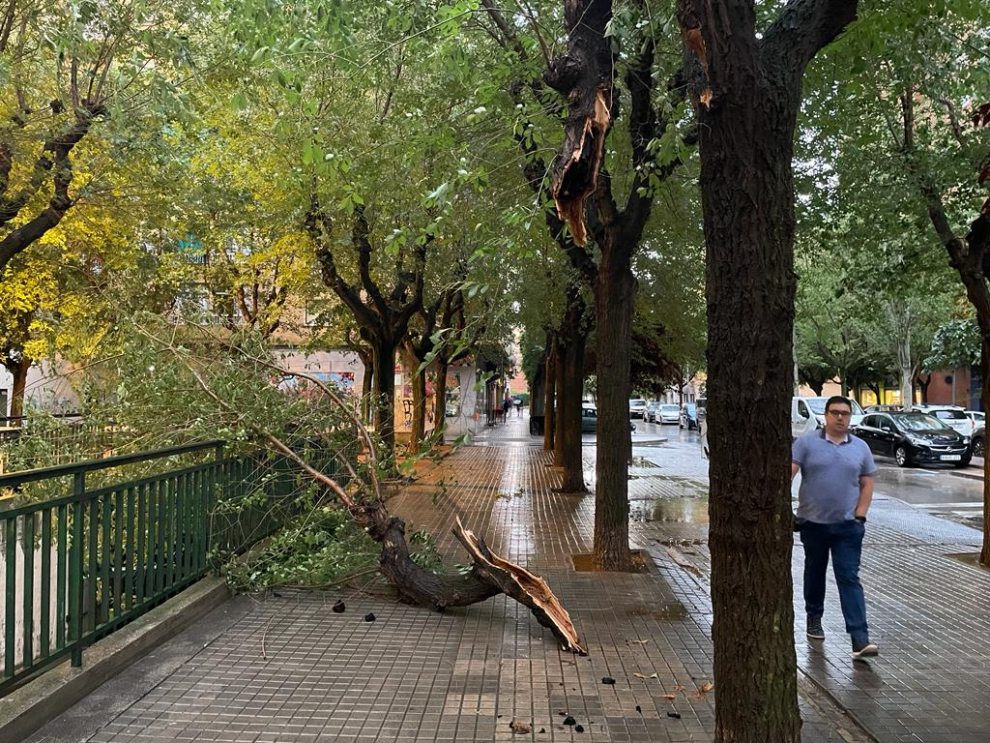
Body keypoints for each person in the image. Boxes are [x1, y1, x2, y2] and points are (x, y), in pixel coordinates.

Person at [791, 395, 879, 659]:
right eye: (835, 413)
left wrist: (860, 516)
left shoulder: (860, 447)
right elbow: (788, 473)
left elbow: (867, 483)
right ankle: (814, 617)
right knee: (815, 572)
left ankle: (859, 639)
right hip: (813, 524)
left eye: (845, 413)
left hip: (848, 526)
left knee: (849, 577)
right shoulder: (807, 443)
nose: (840, 418)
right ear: (826, 415)